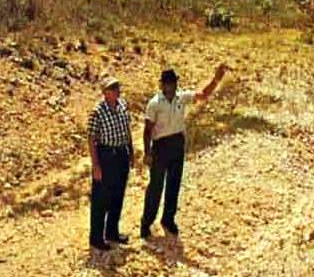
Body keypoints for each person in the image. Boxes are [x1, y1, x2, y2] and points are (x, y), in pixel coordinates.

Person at [141, 64, 229, 239]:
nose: (170, 86)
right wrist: (147, 152)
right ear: (161, 85)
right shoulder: (155, 104)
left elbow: (202, 95)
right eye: (167, 83)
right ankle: (146, 223)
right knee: (156, 187)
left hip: (177, 144)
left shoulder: (182, 98)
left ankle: (168, 220)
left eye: (172, 83)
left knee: (174, 184)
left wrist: (216, 79)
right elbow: (147, 130)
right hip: (161, 146)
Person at [87, 77, 134, 251]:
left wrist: (131, 151)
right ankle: (96, 238)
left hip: (121, 154)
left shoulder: (122, 105)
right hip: (106, 155)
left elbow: (127, 129)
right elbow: (91, 139)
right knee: (101, 198)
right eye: (113, 88)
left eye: (117, 86)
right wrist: (96, 165)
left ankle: (112, 232)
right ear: (105, 92)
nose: (117, 90)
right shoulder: (97, 112)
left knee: (118, 195)